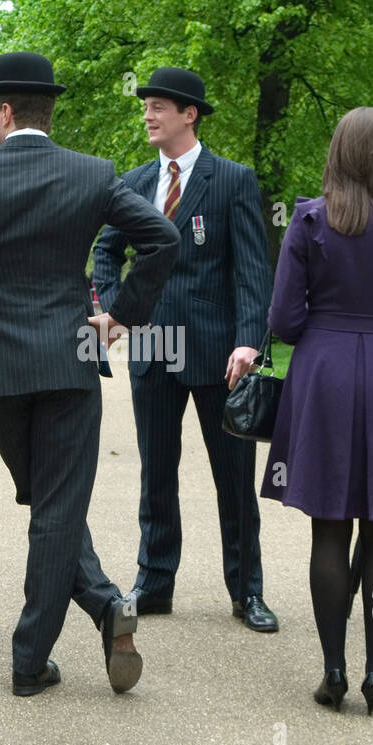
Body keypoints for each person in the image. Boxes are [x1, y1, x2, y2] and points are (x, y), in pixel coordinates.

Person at [0, 51, 179, 696]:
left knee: (48, 504)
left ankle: (31, 657)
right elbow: (163, 240)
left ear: (5, 111)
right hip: (70, 363)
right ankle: (100, 603)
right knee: (55, 507)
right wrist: (118, 316)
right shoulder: (91, 174)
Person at [260, 107, 373, 713]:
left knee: (328, 528)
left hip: (325, 379)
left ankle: (333, 672)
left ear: (337, 153)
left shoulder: (311, 220)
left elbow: (285, 322)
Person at [92, 67, 277, 632]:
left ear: (189, 114)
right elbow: (106, 249)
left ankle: (247, 591)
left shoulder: (233, 180)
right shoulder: (133, 181)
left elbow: (252, 270)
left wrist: (250, 341)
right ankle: (154, 582)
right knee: (157, 472)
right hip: (151, 349)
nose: (147, 114)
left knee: (233, 477)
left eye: (158, 107)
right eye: (145, 106)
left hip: (219, 355)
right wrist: (115, 309)